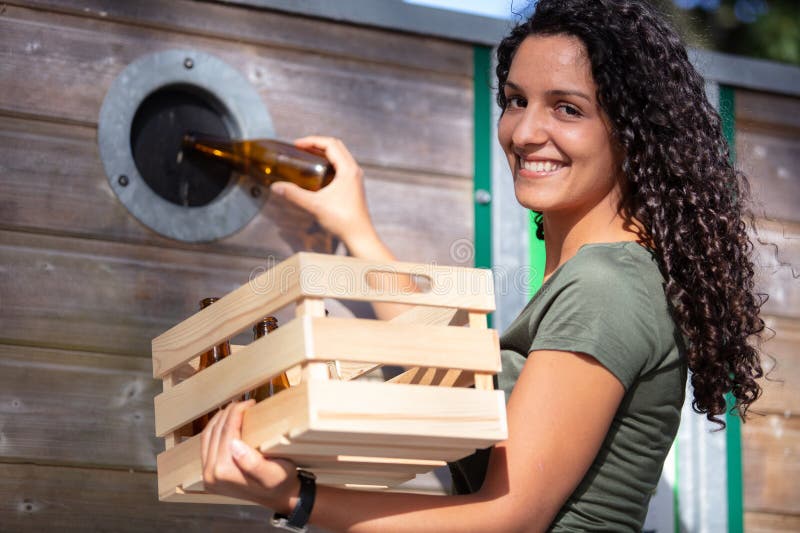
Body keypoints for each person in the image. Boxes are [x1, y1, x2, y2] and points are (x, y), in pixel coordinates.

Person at [199, 0, 765, 530]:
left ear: (635, 133)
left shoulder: (606, 285)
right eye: (516, 100)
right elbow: (445, 366)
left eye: (567, 109)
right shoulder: (597, 276)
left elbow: (508, 517)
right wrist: (355, 228)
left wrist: (296, 499)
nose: (523, 132)